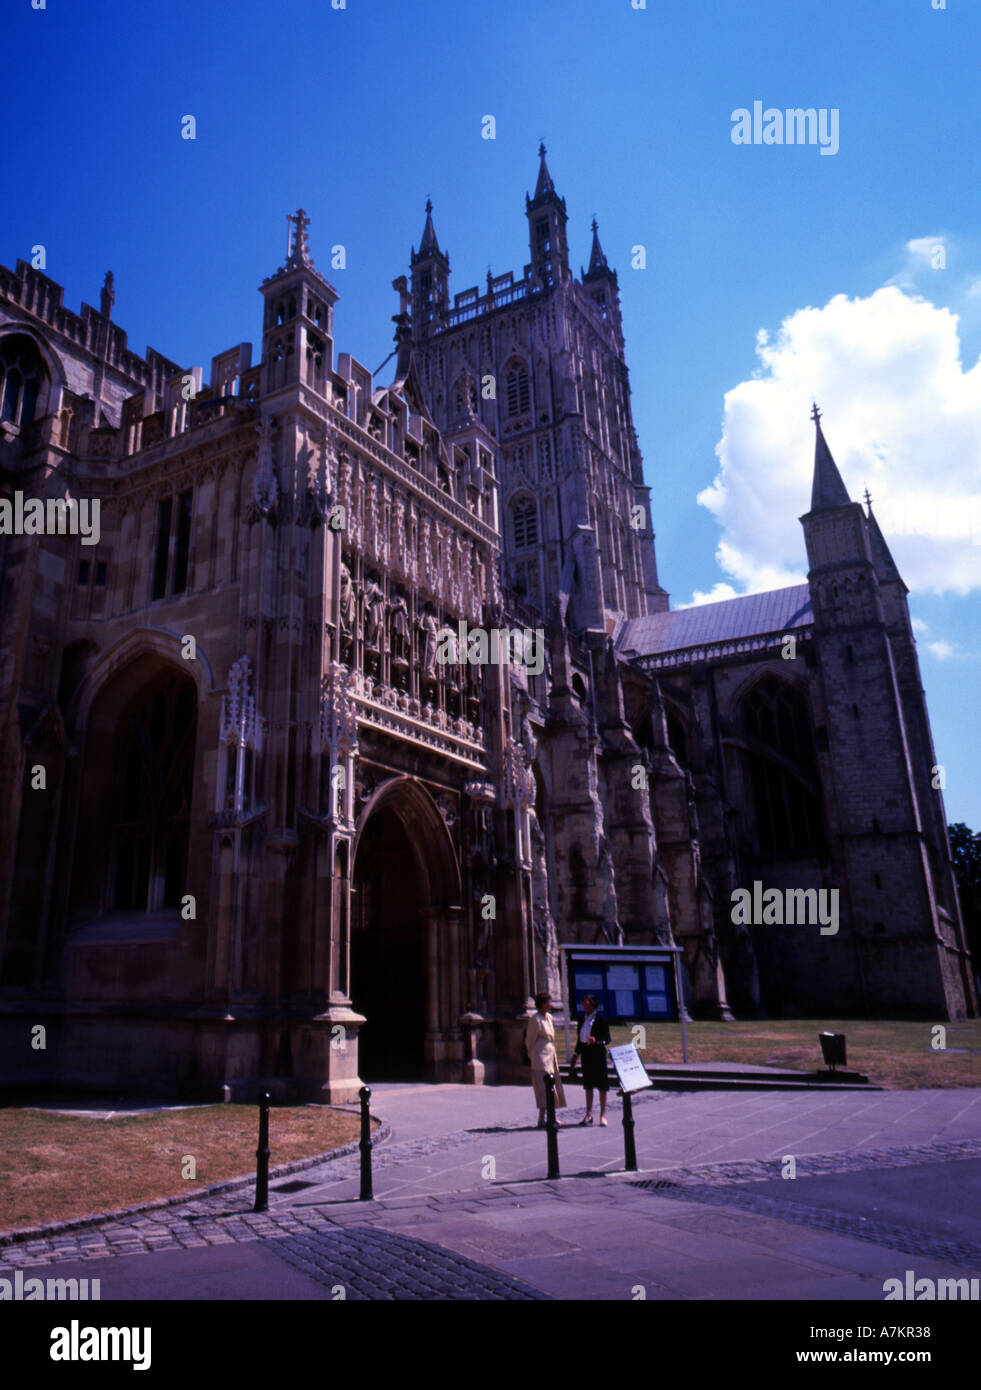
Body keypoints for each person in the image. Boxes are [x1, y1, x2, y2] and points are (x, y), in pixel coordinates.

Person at [524, 991, 567, 1128]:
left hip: (551, 1057)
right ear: (542, 1004)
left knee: (552, 1088)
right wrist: (533, 1055)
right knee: (543, 1089)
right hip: (540, 1058)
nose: (551, 1005)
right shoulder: (535, 1019)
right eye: (549, 1002)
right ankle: (543, 1119)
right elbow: (529, 1040)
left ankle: (548, 1117)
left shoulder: (548, 1017)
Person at [572, 993, 611, 1125]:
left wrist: (597, 1041)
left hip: (598, 1055)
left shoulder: (601, 1018)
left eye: (586, 1003)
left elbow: (607, 1039)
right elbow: (580, 1040)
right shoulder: (582, 1019)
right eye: (583, 1003)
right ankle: (588, 1114)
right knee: (588, 1085)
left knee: (602, 1086)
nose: (584, 1005)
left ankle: (603, 1115)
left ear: (592, 1004)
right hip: (586, 1055)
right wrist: (575, 1055)